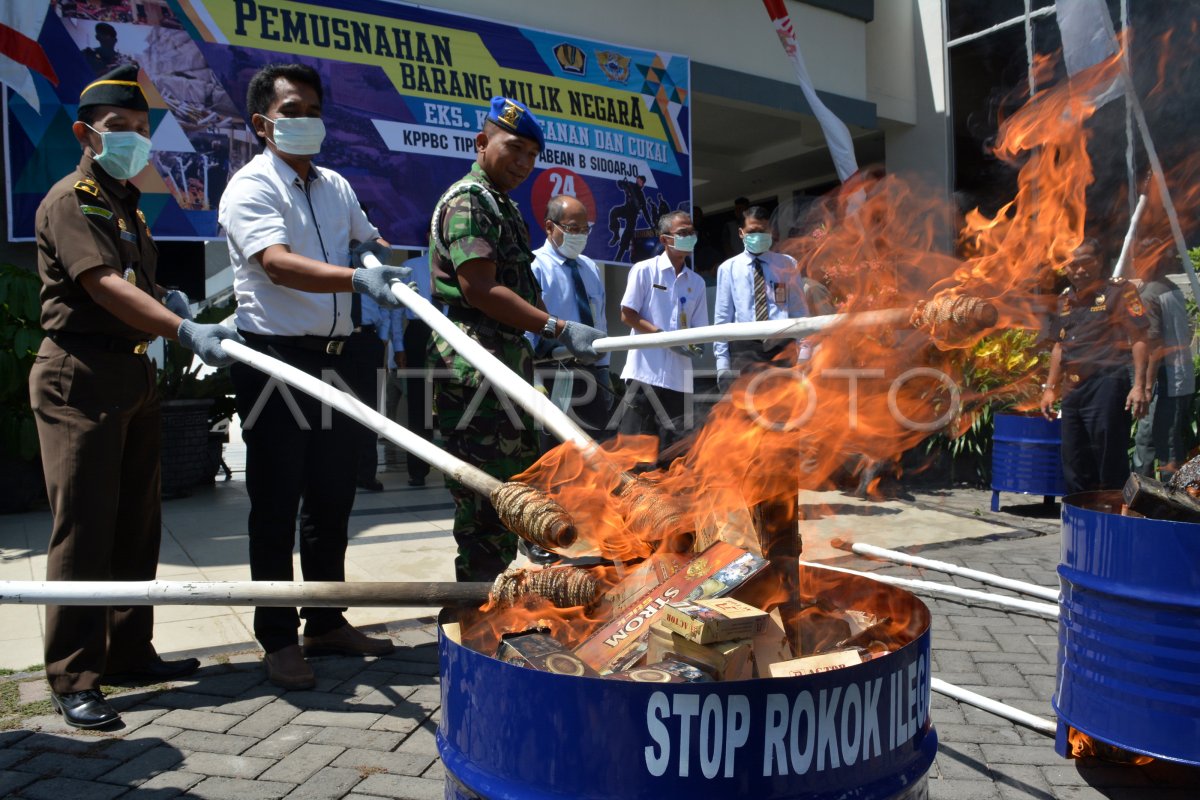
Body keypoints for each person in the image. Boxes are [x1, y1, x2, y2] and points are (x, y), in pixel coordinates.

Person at [29, 65, 241, 729]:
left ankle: (128, 652)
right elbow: (100, 284)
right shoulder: (74, 199)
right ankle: (74, 675)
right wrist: (180, 326)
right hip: (80, 376)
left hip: (131, 374)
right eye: (120, 130)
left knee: (135, 523)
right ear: (85, 132)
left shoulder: (125, 205)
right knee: (85, 526)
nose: (135, 141)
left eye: (143, 131)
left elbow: (135, 286)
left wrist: (169, 305)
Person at [219, 63, 411, 689]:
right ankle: (277, 638)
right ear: (263, 122)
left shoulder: (334, 185)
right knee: (276, 499)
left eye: (314, 111)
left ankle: (326, 622)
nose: (306, 122)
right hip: (277, 357)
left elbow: (367, 243)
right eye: (293, 111)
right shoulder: (250, 187)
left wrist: (392, 261)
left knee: (334, 494)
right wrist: (359, 278)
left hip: (342, 355)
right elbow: (275, 265)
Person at [429, 96, 603, 581]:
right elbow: (479, 288)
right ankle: (472, 616)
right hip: (476, 365)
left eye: (532, 155)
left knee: (517, 491)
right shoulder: (469, 200)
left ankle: (492, 605)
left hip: (505, 364)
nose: (525, 164)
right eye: (515, 149)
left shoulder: (498, 203)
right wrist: (556, 326)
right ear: (482, 142)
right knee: (488, 501)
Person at [1040, 239, 1149, 494]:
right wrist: (1049, 388)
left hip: (1107, 384)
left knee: (1109, 459)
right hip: (1073, 390)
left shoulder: (1121, 292)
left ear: (1099, 261)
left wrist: (1140, 386)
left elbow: (1141, 337)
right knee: (1074, 460)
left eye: (1085, 263)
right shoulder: (1065, 299)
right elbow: (1059, 346)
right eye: (1071, 265)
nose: (1078, 270)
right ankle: (1084, 521)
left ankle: (1113, 519)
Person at [616, 210, 709, 452]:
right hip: (644, 374)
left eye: (692, 232)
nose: (689, 237)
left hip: (679, 379)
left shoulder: (696, 282)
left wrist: (696, 347)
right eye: (682, 233)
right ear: (664, 239)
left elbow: (699, 330)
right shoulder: (644, 270)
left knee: (675, 454)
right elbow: (627, 314)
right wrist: (663, 337)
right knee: (635, 451)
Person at [529, 194, 612, 436]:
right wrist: (533, 380)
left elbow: (600, 320)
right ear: (549, 227)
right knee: (557, 452)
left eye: (585, 229)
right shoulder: (534, 266)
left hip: (590, 373)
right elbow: (525, 327)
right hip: (550, 372)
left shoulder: (590, 267)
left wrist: (604, 370)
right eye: (573, 229)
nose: (580, 236)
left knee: (596, 450)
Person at [713, 205, 810, 392]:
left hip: (782, 346)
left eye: (762, 231)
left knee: (783, 409)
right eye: (752, 231)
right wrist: (722, 366)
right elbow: (722, 320)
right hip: (745, 349)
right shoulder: (729, 268)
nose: (758, 235)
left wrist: (805, 355)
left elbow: (800, 312)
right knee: (748, 412)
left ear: (770, 231)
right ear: (741, 233)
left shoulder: (787, 263)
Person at [1133, 270, 1195, 482]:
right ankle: (1146, 493)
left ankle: (1165, 498)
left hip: (1166, 379)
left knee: (1163, 442)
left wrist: (1146, 386)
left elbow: (1154, 344)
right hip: (1177, 376)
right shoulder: (1170, 288)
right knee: (1154, 438)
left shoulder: (1151, 293)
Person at [607, 174, 649, 262]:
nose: (638, 182)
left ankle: (618, 257)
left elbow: (645, 211)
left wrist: (650, 224)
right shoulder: (631, 185)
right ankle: (616, 235)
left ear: (643, 184)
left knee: (628, 233)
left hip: (633, 215)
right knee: (614, 212)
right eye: (638, 179)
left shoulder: (641, 196)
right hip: (626, 209)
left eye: (641, 181)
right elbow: (619, 183)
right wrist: (624, 185)